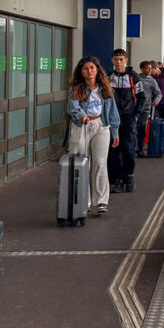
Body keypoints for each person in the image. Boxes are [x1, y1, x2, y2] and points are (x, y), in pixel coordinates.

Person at [66, 57, 120, 214]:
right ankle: (84, 201)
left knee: (100, 163)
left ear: (97, 69)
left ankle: (101, 201)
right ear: (81, 72)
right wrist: (81, 115)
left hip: (101, 126)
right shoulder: (75, 88)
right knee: (82, 163)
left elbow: (113, 110)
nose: (89, 71)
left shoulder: (104, 88)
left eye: (92, 68)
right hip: (81, 126)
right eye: (85, 69)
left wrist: (115, 130)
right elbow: (73, 107)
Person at [108, 49, 145, 193]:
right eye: (116, 59)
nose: (118, 62)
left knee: (129, 150)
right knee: (114, 151)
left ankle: (129, 176)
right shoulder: (108, 77)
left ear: (126, 60)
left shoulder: (133, 77)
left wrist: (136, 115)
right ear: (112, 61)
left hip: (129, 118)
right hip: (112, 120)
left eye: (121, 59)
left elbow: (142, 97)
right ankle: (117, 179)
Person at [136, 61, 163, 158]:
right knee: (133, 128)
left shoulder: (152, 80)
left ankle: (139, 148)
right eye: (147, 68)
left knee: (141, 128)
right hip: (134, 107)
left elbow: (159, 93)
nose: (150, 70)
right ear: (141, 69)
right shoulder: (136, 78)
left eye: (151, 68)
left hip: (146, 108)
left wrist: (156, 100)